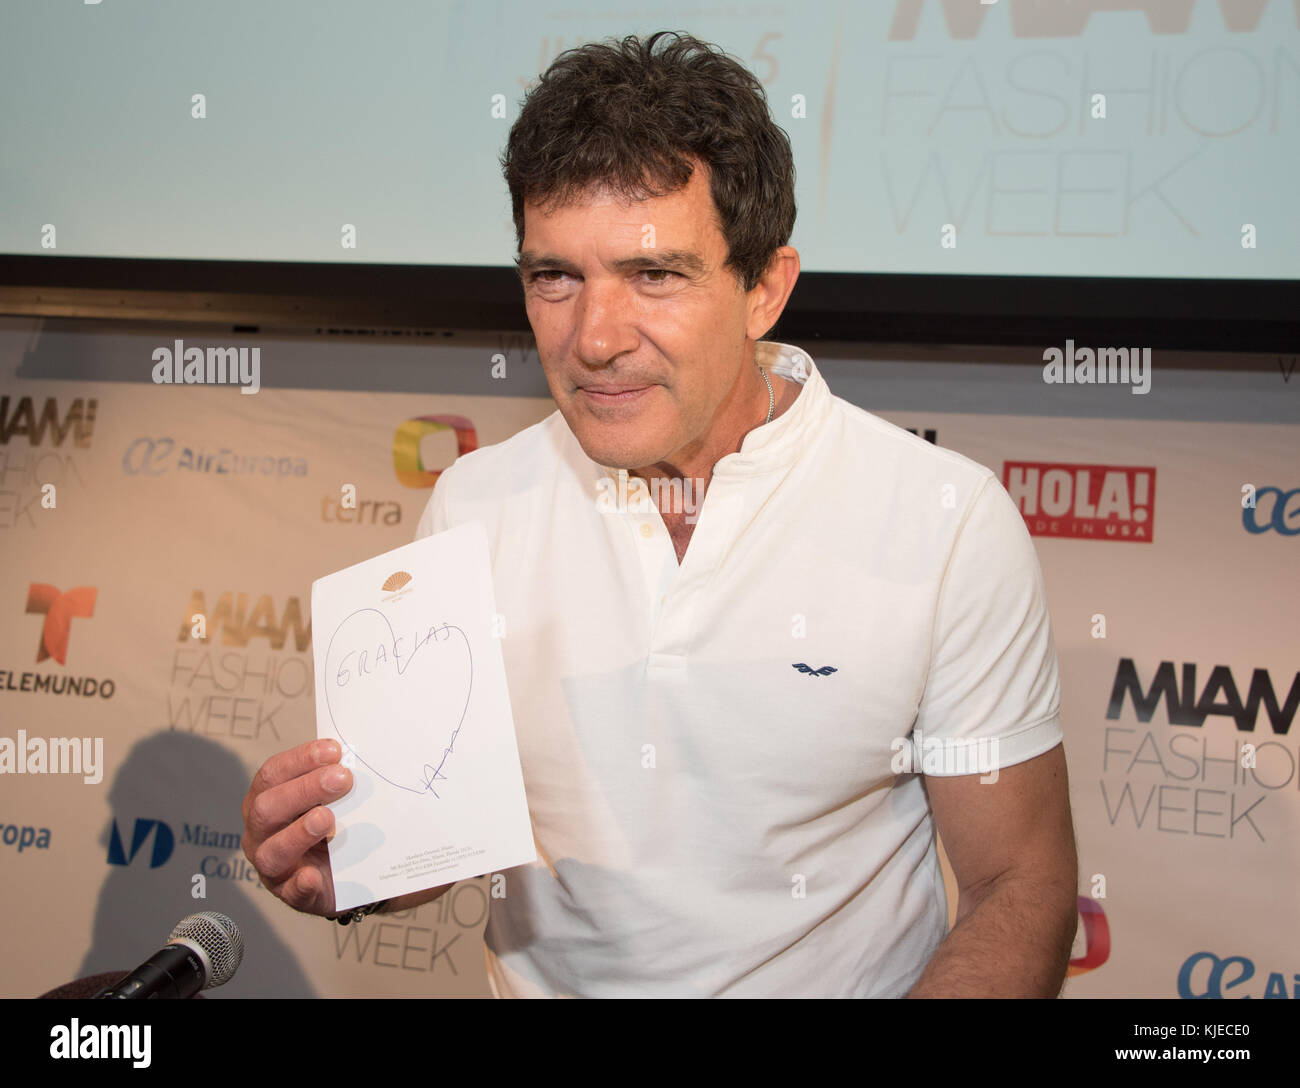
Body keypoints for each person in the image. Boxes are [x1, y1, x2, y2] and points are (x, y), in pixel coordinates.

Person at [242, 30, 1078, 997]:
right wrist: (354, 865)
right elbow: (436, 838)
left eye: (655, 276)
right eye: (554, 276)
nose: (593, 337)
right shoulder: (475, 504)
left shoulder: (944, 522)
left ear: (765, 286)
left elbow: (1022, 884)